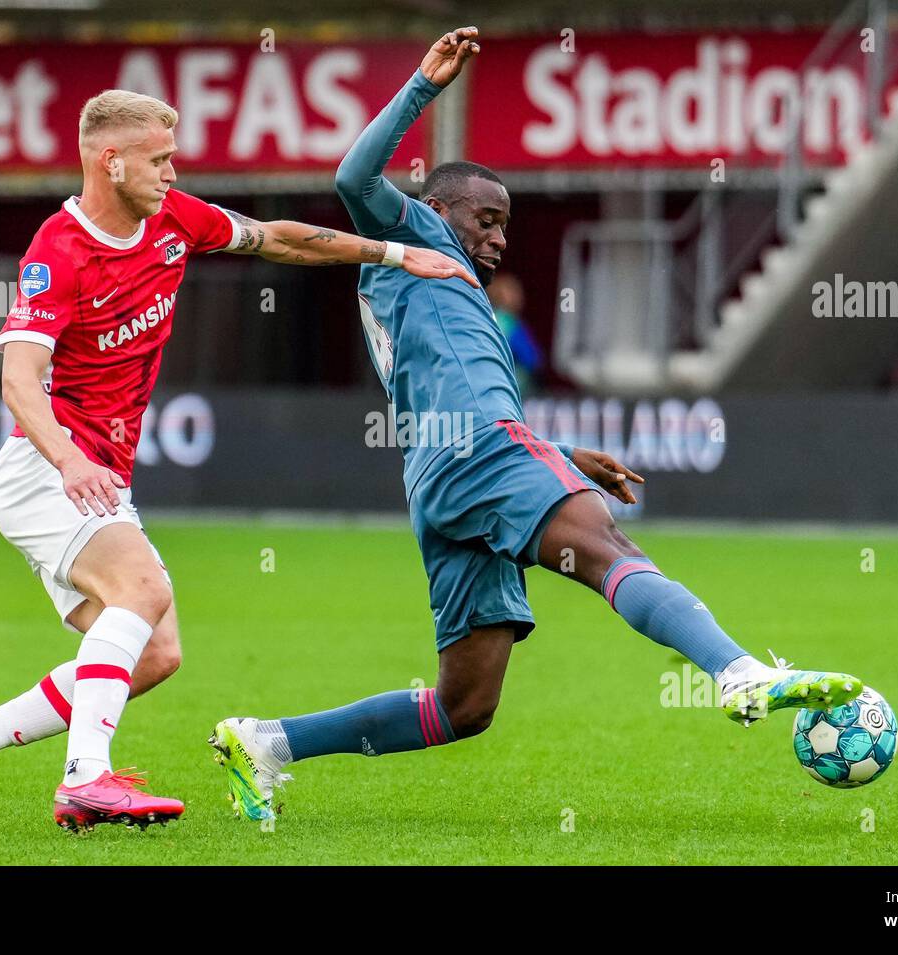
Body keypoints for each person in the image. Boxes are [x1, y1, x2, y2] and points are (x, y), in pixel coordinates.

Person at [210, 28, 863, 821]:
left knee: (466, 704)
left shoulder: (444, 292)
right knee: (611, 547)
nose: (497, 237)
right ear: (436, 207)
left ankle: (269, 742)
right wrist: (423, 84)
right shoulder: (414, 237)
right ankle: (736, 671)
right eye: (485, 218)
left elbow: (458, 395)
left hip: (443, 476)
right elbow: (353, 174)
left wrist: (556, 452)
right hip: (479, 455)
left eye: (504, 224)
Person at [0, 89, 477, 834]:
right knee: (137, 590)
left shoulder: (174, 219)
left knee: (153, 654)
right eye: (160, 159)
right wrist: (72, 462)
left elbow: (276, 237)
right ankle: (86, 779)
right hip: (49, 469)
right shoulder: (57, 250)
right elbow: (19, 380)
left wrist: (398, 253)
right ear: (110, 162)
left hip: (100, 477)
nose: (173, 174)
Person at [487, 272, 544, 394]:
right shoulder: (509, 324)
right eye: (514, 292)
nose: (520, 297)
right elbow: (531, 359)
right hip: (513, 389)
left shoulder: (487, 319)